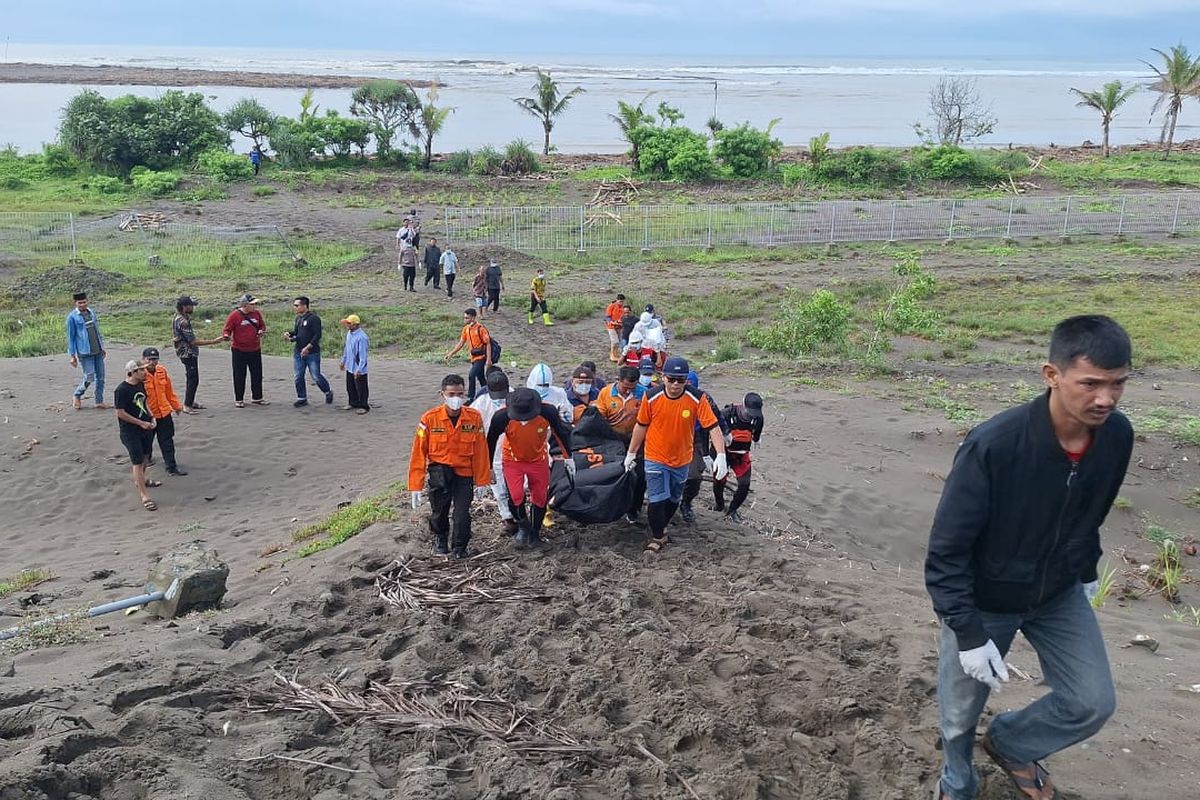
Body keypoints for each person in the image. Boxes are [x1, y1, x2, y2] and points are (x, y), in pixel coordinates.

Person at [925, 315, 1134, 800]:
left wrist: (1082, 572)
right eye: (1091, 383)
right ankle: (957, 782)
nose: (1105, 398)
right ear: (1051, 375)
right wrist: (969, 633)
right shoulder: (995, 445)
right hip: (986, 599)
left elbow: (1091, 514)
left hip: (1058, 593)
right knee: (958, 715)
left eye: (1118, 384)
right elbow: (946, 552)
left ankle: (1011, 742)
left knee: (1091, 702)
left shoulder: (1116, 436)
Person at [623, 356, 727, 553]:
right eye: (671, 379)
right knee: (656, 500)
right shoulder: (651, 396)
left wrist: (721, 455)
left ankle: (663, 526)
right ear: (663, 377)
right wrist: (631, 453)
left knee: (672, 500)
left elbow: (713, 426)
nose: (676, 384)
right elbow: (641, 426)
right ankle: (657, 537)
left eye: (680, 380)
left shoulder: (697, 398)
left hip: (681, 459)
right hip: (655, 456)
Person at [407, 374, 491, 559]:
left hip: (464, 474)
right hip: (440, 473)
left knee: (462, 515)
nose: (456, 398)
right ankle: (440, 538)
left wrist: (482, 479)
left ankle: (460, 547)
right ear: (442, 394)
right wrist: (415, 485)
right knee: (439, 512)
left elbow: (480, 450)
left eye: (460, 394)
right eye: (451, 394)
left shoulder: (474, 418)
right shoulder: (429, 419)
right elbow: (418, 453)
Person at [486, 387, 574, 549]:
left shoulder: (548, 412)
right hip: (512, 460)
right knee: (516, 495)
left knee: (540, 497)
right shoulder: (501, 417)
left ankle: (535, 533)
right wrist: (489, 467)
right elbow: (490, 441)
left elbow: (560, 433)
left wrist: (569, 458)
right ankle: (523, 527)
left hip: (538, 459)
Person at [596, 365, 649, 524]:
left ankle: (634, 509)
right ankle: (609, 506)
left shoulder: (643, 394)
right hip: (612, 440)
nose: (628, 391)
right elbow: (599, 419)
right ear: (618, 380)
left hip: (637, 440)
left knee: (640, 477)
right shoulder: (605, 393)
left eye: (631, 388)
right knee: (612, 474)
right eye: (625, 387)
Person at [471, 369, 518, 535]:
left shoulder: (518, 398)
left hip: (516, 451)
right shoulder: (479, 404)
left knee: (517, 489)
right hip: (492, 452)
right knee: (499, 490)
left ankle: (521, 517)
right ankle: (508, 520)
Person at [679, 370, 728, 524]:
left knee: (694, 477)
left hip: (695, 438)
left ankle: (686, 503)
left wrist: (725, 433)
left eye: (689, 385)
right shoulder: (667, 394)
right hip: (669, 436)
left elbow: (716, 417)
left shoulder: (703, 398)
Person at [713, 392, 764, 524]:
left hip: (741, 454)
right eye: (749, 412)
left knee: (745, 484)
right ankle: (719, 505)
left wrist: (757, 440)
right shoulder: (726, 414)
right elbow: (712, 430)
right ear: (742, 405)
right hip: (723, 453)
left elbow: (758, 430)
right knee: (719, 480)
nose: (751, 415)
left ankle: (732, 510)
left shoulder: (758, 418)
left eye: (754, 413)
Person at [114, 359, 158, 511]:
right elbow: (120, 413)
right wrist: (140, 423)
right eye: (141, 370)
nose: (144, 372)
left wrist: (151, 416)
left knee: (146, 457)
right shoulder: (121, 390)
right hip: (130, 431)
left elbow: (144, 403)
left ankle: (141, 480)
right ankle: (144, 495)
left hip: (146, 427)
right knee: (137, 461)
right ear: (132, 372)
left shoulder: (140, 385)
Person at [172, 295, 228, 413]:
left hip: (183, 351)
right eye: (191, 306)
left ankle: (190, 401)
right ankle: (187, 405)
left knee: (192, 378)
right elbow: (193, 341)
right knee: (193, 379)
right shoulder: (183, 322)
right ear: (184, 307)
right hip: (187, 353)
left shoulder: (179, 317)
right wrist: (214, 341)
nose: (193, 308)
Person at [141, 347, 189, 477]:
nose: (152, 362)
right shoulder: (139, 374)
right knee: (146, 442)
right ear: (143, 359)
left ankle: (171, 467)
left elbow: (169, 391)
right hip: (148, 416)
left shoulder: (162, 371)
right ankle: (147, 460)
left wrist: (176, 406)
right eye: (149, 359)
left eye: (155, 359)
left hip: (164, 413)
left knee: (167, 441)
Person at [285, 296, 333, 408]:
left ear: (304, 306)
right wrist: (290, 335)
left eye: (297, 305)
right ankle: (302, 398)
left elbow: (317, 335)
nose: (295, 308)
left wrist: (308, 347)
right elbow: (297, 333)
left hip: (312, 353)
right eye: (294, 305)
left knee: (316, 376)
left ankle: (327, 391)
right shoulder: (298, 319)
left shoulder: (314, 318)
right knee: (298, 376)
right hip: (298, 352)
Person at [222, 293, 269, 408]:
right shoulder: (234, 315)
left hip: (254, 348)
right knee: (239, 375)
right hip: (239, 350)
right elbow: (227, 329)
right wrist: (226, 335)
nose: (255, 306)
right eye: (252, 304)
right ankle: (239, 399)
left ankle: (257, 397)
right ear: (245, 305)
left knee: (257, 374)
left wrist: (261, 331)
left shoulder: (256, 314)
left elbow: (262, 326)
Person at [66, 291, 107, 410]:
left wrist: (102, 347)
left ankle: (99, 401)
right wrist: (72, 355)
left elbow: (97, 331)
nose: (82, 305)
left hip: (97, 350)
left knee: (101, 377)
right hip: (85, 352)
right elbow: (71, 337)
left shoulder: (92, 312)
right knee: (89, 377)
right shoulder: (72, 317)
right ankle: (77, 395)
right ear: (75, 303)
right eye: (80, 303)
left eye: (84, 302)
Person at [444, 308, 493, 399]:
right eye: (464, 318)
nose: (465, 320)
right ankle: (489, 393)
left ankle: (471, 397)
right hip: (473, 358)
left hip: (481, 357)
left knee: (472, 375)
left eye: (467, 318)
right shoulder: (466, 329)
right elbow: (461, 343)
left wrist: (489, 359)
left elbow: (488, 343)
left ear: (473, 317)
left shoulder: (481, 329)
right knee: (481, 378)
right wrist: (451, 354)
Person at [339, 314, 370, 414]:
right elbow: (346, 349)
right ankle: (353, 402)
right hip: (350, 365)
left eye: (349, 323)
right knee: (350, 386)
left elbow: (363, 356)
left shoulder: (362, 338)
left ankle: (364, 406)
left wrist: (360, 369)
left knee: (361, 387)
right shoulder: (349, 334)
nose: (347, 325)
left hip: (358, 367)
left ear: (356, 325)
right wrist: (343, 361)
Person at [605, 293, 626, 362]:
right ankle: (612, 355)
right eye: (620, 301)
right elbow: (607, 317)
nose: (621, 303)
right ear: (617, 300)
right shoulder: (612, 306)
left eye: (622, 301)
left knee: (618, 341)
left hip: (619, 326)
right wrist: (611, 322)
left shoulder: (623, 308)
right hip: (611, 326)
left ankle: (615, 354)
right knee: (615, 341)